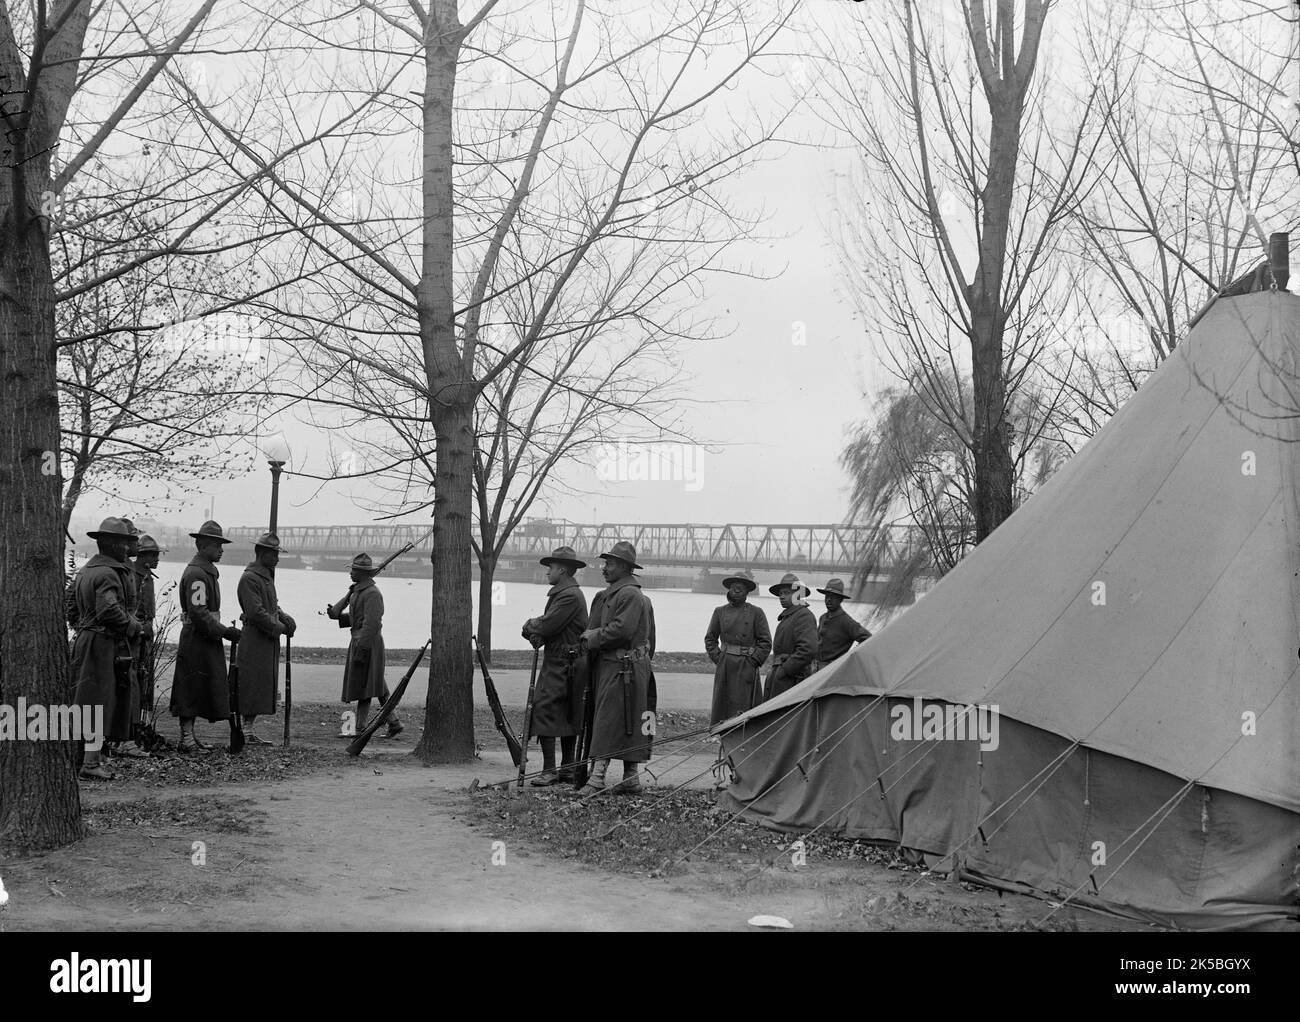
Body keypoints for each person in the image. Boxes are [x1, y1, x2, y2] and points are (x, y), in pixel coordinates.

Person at [69, 518, 144, 780]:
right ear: (112, 545)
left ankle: (87, 757)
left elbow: (71, 609)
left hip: (87, 642)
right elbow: (109, 610)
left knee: (88, 701)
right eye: (124, 543)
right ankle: (90, 763)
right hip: (102, 646)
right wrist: (134, 627)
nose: (127, 548)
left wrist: (85, 629)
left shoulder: (85, 571)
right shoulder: (109, 573)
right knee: (98, 702)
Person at [578, 541, 654, 796]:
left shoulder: (630, 595)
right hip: (617, 667)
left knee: (616, 723)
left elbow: (622, 630)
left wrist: (593, 637)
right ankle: (628, 778)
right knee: (618, 721)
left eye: (609, 563)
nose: (604, 568)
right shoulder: (611, 594)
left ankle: (599, 779)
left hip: (625, 668)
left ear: (623, 567)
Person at [170, 520, 242, 754]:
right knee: (190, 687)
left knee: (201, 686)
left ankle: (191, 736)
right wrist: (224, 631)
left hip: (205, 637)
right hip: (196, 637)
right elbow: (198, 612)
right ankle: (186, 738)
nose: (221, 550)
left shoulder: (205, 571)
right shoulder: (197, 574)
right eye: (216, 545)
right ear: (202, 546)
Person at [520, 546, 589, 785]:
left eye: (550, 568)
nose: (547, 572)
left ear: (562, 569)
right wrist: (540, 635)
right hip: (565, 661)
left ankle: (551, 770)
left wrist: (530, 626)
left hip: (564, 663)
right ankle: (567, 769)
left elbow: (549, 625)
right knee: (566, 713)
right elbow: (553, 629)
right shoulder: (566, 593)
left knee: (545, 709)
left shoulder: (569, 595)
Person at [327, 553, 400, 737]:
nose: (350, 573)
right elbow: (349, 617)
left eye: (353, 570)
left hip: (368, 643)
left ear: (361, 573)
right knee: (373, 683)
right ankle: (393, 722)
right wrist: (348, 595)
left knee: (366, 685)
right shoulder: (359, 592)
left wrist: (362, 648)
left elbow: (372, 624)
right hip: (360, 640)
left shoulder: (373, 594)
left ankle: (359, 728)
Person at [236, 533, 297, 745]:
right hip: (254, 639)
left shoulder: (265, 577)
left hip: (265, 641)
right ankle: (244, 731)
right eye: (274, 555)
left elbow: (271, 606)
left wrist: (285, 618)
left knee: (260, 686)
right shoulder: (249, 578)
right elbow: (256, 612)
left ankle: (248, 729)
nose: (278, 559)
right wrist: (279, 627)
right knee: (251, 686)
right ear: (263, 554)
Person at [703, 569, 771, 727]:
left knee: (744, 710)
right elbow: (710, 639)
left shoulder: (756, 613)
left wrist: (753, 661)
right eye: (734, 586)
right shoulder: (719, 612)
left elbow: (766, 642)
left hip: (746, 666)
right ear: (729, 589)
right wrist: (719, 658)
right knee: (724, 710)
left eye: (742, 586)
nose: (737, 589)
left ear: (747, 591)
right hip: (725, 665)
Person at [763, 572, 818, 701]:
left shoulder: (804, 615)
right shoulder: (789, 616)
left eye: (786, 593)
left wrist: (785, 670)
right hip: (781, 679)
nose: (781, 597)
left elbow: (808, 649)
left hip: (791, 681)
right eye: (780, 594)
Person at [133, 534, 161, 741]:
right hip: (136, 634)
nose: (158, 559)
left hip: (147, 634)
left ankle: (142, 723)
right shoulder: (133, 575)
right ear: (144, 556)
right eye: (155, 555)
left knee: (146, 681)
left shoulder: (147, 576)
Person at [815, 578, 872, 671]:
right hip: (816, 669)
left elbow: (868, 638)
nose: (828, 600)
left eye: (833, 597)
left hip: (833, 671)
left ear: (840, 599)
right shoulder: (823, 618)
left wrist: (850, 657)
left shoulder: (846, 621)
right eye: (827, 596)